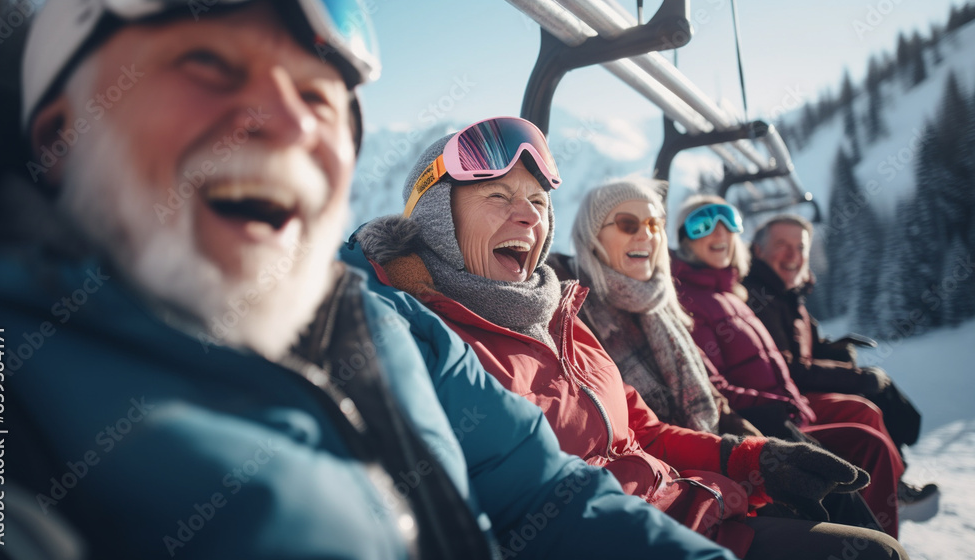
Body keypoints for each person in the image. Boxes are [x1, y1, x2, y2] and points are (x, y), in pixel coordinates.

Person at [0, 1, 745, 558]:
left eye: (318, 94)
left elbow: (546, 493)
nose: (291, 119)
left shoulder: (385, 326)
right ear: (61, 132)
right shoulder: (10, 387)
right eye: (208, 62)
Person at [347, 119, 908, 560]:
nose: (527, 218)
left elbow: (642, 432)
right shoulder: (428, 338)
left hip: (693, 508)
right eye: (497, 197)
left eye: (539, 202)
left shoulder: (558, 316)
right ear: (439, 217)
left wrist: (752, 460)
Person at [671, 195, 906, 537]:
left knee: (867, 436)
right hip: (762, 422)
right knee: (867, 442)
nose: (718, 232)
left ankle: (879, 536)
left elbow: (770, 362)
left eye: (728, 222)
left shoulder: (730, 293)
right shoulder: (689, 298)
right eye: (702, 224)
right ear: (684, 239)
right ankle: (867, 541)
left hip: (785, 411)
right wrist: (778, 405)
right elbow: (712, 385)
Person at [743, 214, 937, 508]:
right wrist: (858, 377)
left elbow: (807, 347)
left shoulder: (788, 294)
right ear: (758, 251)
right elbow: (790, 369)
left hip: (798, 392)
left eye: (801, 247)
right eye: (782, 244)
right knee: (864, 409)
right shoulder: (760, 298)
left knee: (870, 395)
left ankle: (893, 486)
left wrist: (837, 350)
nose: (793, 255)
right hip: (782, 401)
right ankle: (889, 492)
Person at [548, 178, 760, 438]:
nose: (645, 234)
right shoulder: (571, 316)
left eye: (653, 224)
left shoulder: (661, 304)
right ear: (593, 238)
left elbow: (711, 396)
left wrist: (759, 446)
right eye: (628, 224)